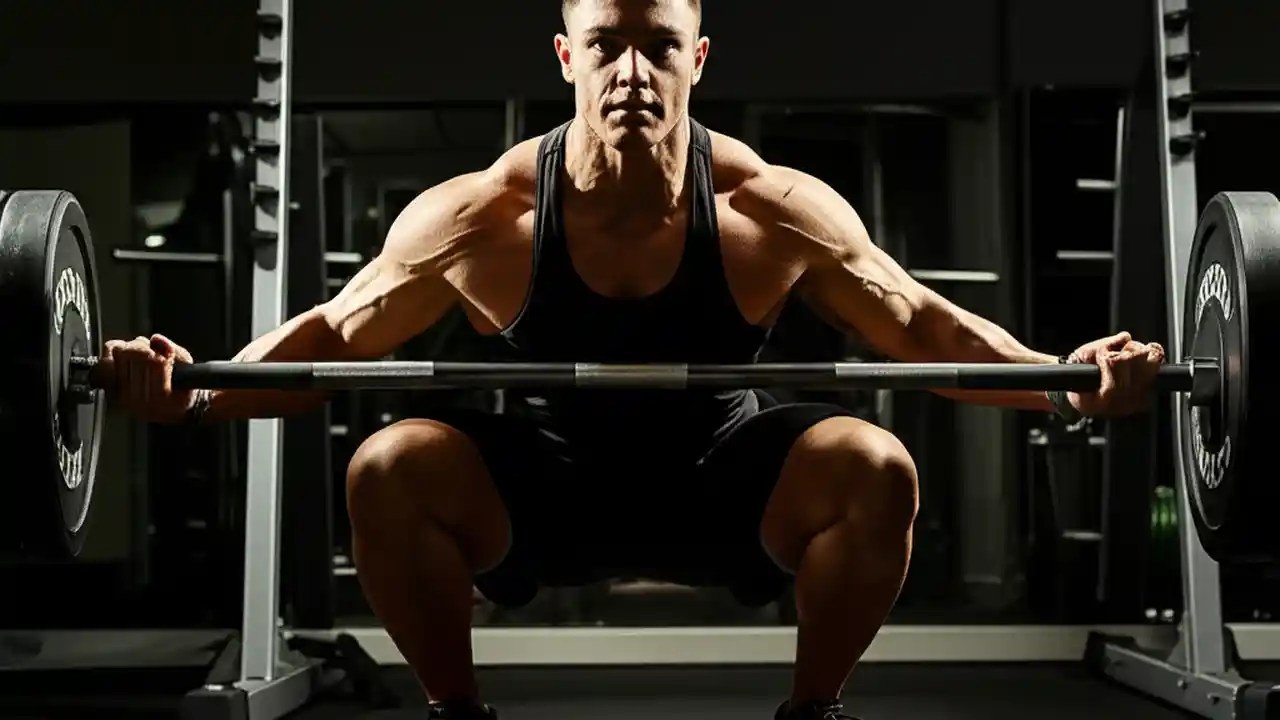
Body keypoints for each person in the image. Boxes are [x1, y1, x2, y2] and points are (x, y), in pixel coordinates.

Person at [100, 0, 1166, 717]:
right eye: (604, 43)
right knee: (386, 466)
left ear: (695, 60)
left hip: (729, 480)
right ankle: (457, 715)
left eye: (658, 43)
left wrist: (1068, 378)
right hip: (548, 490)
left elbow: (920, 323)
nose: (630, 70)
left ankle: (809, 713)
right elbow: (334, 335)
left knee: (876, 466)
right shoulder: (489, 217)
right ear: (565, 58)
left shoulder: (766, 209)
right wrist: (187, 394)